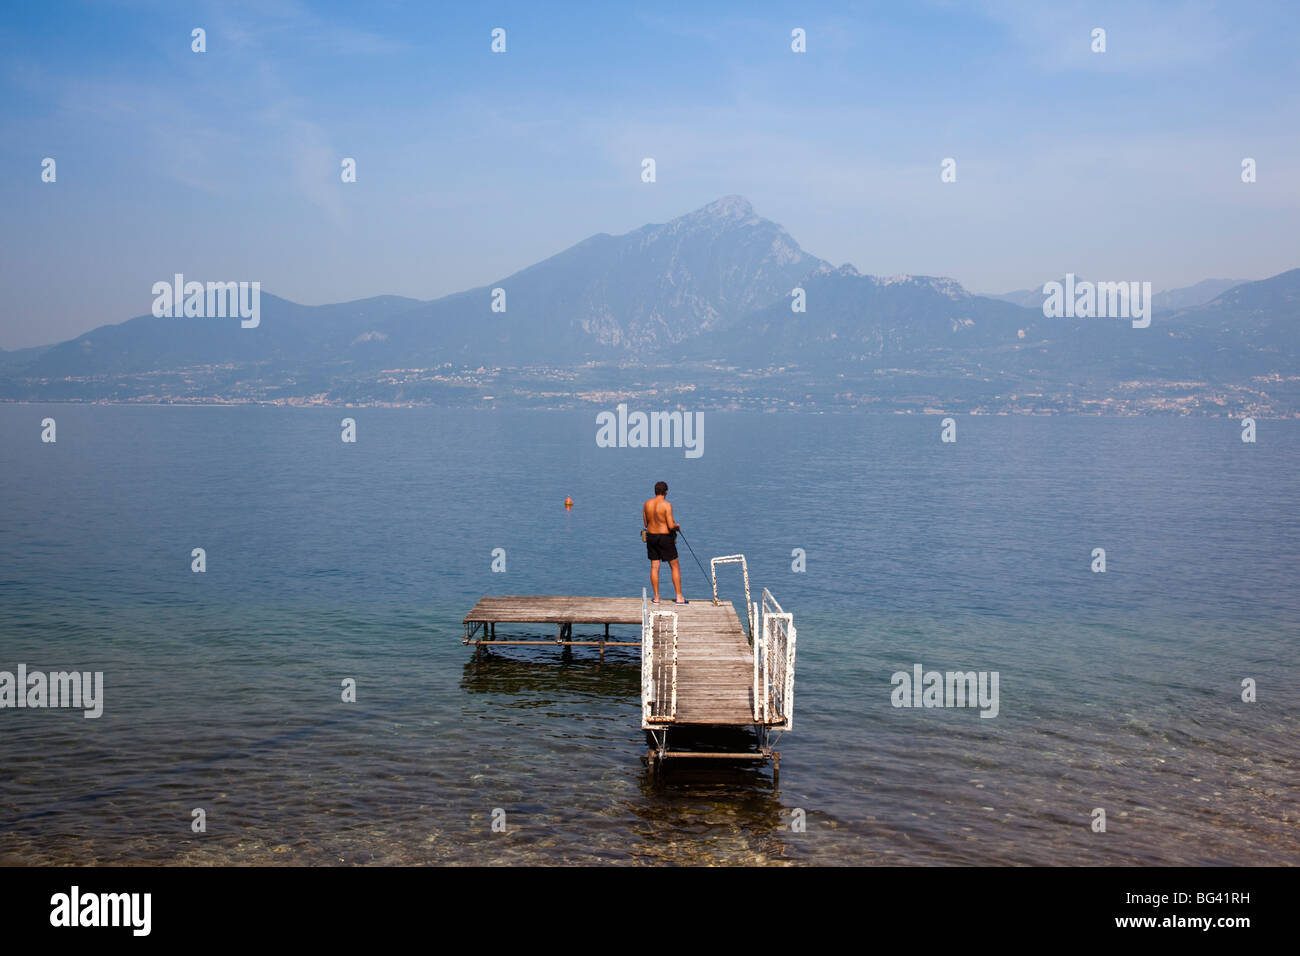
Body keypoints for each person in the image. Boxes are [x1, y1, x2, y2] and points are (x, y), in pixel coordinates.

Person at [643, 481, 686, 604]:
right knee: (674, 566)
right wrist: (676, 526)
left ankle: (656, 598)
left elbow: (646, 523)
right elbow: (670, 525)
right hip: (665, 538)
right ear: (666, 492)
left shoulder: (647, 504)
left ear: (655, 491)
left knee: (654, 567)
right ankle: (679, 597)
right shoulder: (667, 505)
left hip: (651, 537)